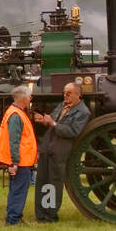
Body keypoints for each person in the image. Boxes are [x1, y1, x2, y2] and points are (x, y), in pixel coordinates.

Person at [33, 81, 91, 222]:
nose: (65, 96)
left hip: (60, 150)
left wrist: (52, 124)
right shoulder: (62, 105)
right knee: (42, 181)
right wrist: (43, 120)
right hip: (47, 147)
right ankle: (40, 215)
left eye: (68, 93)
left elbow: (73, 131)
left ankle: (50, 215)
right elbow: (53, 119)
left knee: (53, 183)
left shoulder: (83, 112)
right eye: (64, 93)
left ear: (78, 95)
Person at [0, 84, 37, 225]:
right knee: (18, 191)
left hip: (21, 161)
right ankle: (13, 220)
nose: (31, 99)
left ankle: (14, 217)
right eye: (29, 96)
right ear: (23, 98)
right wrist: (15, 163)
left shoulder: (15, 113)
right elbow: (14, 141)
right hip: (21, 162)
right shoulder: (16, 115)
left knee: (15, 190)